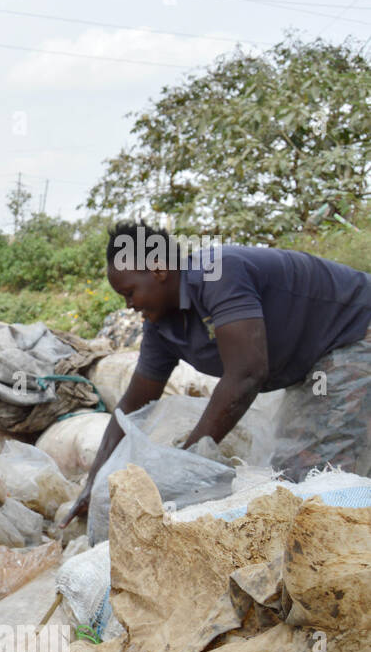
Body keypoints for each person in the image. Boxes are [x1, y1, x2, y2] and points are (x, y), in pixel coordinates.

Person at [63, 222, 371, 526]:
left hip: (356, 333)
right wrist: (93, 482)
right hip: (313, 366)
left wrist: (185, 462)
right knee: (291, 469)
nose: (129, 306)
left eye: (129, 292)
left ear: (158, 269)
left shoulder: (219, 273)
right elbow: (131, 404)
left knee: (328, 475)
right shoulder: (161, 328)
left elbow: (247, 373)